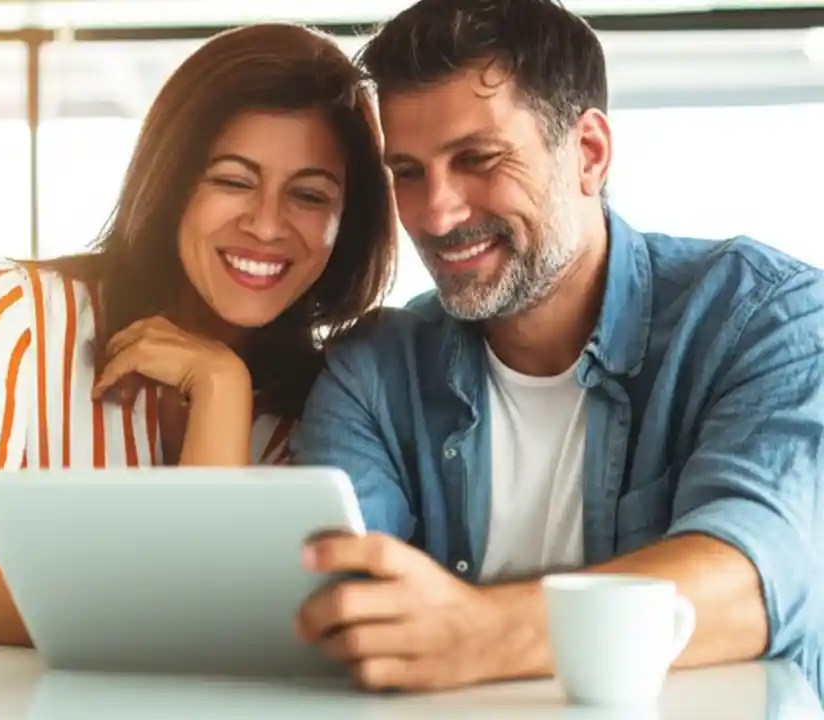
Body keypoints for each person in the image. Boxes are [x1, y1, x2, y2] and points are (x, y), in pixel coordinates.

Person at [290, 0, 824, 695]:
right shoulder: (373, 374)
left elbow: (757, 579)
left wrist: (483, 631)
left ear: (589, 154)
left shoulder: (764, 318)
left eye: (478, 159)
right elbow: (328, 612)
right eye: (409, 172)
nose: (436, 213)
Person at [0, 23, 395, 644]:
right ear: (172, 180)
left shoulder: (333, 402)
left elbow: (216, 631)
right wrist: (150, 614)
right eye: (233, 180)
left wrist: (220, 387)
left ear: (347, 222)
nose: (266, 225)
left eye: (309, 195)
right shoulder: (25, 316)